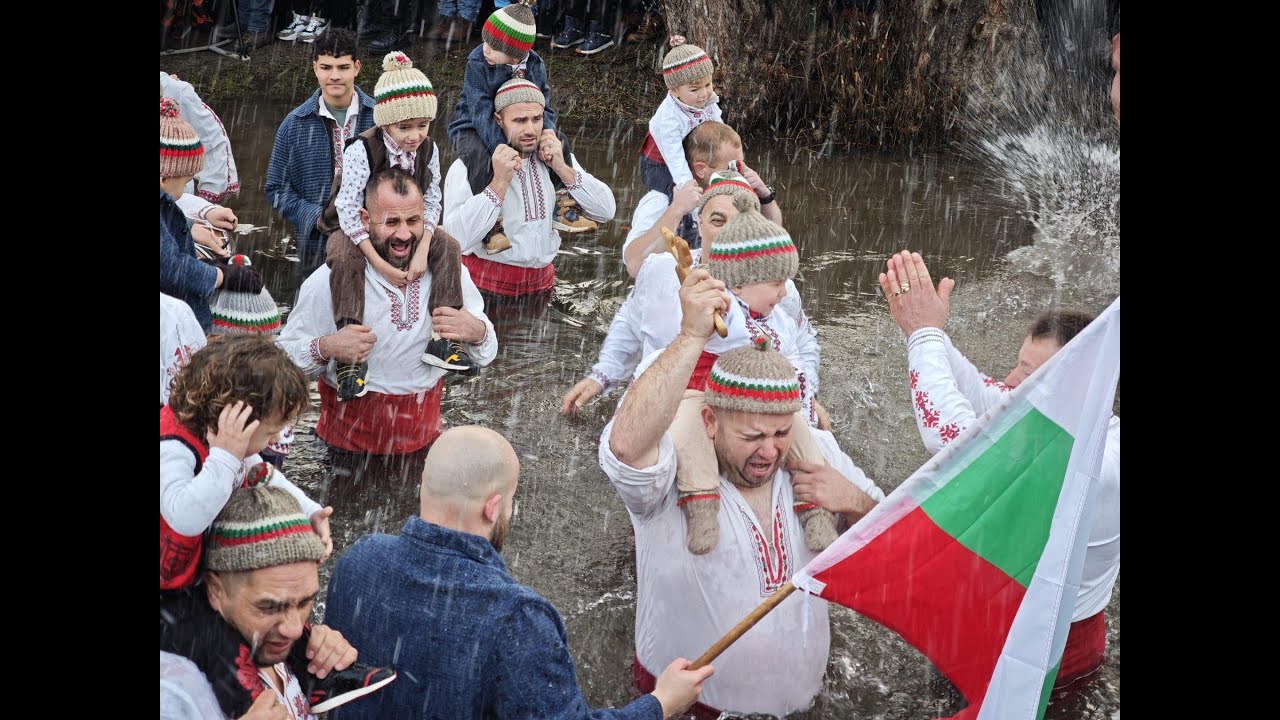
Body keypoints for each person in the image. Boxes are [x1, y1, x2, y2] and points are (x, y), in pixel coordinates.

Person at [599, 271, 885, 717]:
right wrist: (691, 335)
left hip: (808, 706)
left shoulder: (818, 453)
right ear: (710, 422)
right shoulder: (668, 471)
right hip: (687, 711)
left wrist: (854, 502)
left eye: (781, 432)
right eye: (752, 435)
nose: (769, 451)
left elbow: (898, 549)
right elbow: (625, 444)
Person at [324, 425, 715, 718]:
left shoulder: (358, 561)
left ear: (424, 486)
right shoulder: (517, 618)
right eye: (511, 502)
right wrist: (660, 704)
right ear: (493, 508)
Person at [880, 250, 1119, 690]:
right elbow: (987, 394)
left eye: (1027, 372)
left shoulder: (1101, 466)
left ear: (1078, 386)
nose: (1009, 379)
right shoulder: (1067, 417)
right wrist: (927, 328)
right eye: (1017, 363)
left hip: (1051, 655)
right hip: (997, 625)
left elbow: (956, 441)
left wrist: (924, 335)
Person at [278, 168, 497, 472]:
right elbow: (282, 361)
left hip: (425, 449)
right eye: (391, 222)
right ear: (365, 221)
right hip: (344, 453)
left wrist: (477, 332)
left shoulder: (451, 273)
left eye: (413, 221)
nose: (404, 235)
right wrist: (325, 347)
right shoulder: (329, 278)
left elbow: (486, 353)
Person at [160, 481, 396, 718]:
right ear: (215, 590)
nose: (294, 629)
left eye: (305, 602)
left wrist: (325, 654)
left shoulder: (289, 647)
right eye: (270, 607)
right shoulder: (175, 689)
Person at [320, 51, 474, 401]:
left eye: (422, 125)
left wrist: (422, 251)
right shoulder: (362, 149)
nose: (414, 136)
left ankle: (443, 338)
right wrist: (380, 263)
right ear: (386, 122)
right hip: (358, 224)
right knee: (343, 255)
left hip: (410, 222)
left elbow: (433, 201)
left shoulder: (428, 148)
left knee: (449, 247)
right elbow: (346, 208)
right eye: (404, 128)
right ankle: (350, 353)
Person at [160, 335, 332, 593]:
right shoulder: (173, 447)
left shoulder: (225, 441)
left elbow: (263, 476)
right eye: (269, 432)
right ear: (232, 417)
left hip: (189, 572)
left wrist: (308, 510)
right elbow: (184, 519)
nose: (275, 439)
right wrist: (225, 458)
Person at [442, 78, 615, 297]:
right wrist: (498, 184)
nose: (530, 129)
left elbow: (606, 212)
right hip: (483, 290)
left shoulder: (553, 158)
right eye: (520, 120)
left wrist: (563, 169)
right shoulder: (468, 165)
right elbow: (454, 239)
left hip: (542, 286)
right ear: (498, 120)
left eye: (537, 119)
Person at [265, 28, 375, 268]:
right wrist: (315, 217)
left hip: (377, 238)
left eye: (343, 67)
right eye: (326, 67)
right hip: (316, 246)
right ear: (315, 68)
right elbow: (275, 189)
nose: (334, 76)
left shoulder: (381, 119)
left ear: (357, 67)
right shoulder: (293, 124)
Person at [623, 121, 780, 278]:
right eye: (732, 167)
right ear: (700, 169)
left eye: (741, 166)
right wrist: (677, 209)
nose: (741, 173)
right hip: (671, 293)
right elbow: (634, 266)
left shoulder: (732, 198)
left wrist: (765, 195)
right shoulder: (659, 201)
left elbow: (773, 242)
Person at [161, 97, 263, 331]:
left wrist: (209, 261)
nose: (188, 187)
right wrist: (222, 276)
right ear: (164, 178)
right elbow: (170, 269)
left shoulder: (165, 203)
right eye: (187, 181)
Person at [638, 36, 722, 198]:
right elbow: (674, 157)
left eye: (707, 85)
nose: (703, 94)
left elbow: (720, 131)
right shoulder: (669, 118)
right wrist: (687, 185)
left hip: (689, 156)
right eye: (694, 89)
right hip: (657, 167)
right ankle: (682, 221)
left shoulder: (707, 101)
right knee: (681, 194)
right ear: (674, 90)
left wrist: (729, 164)